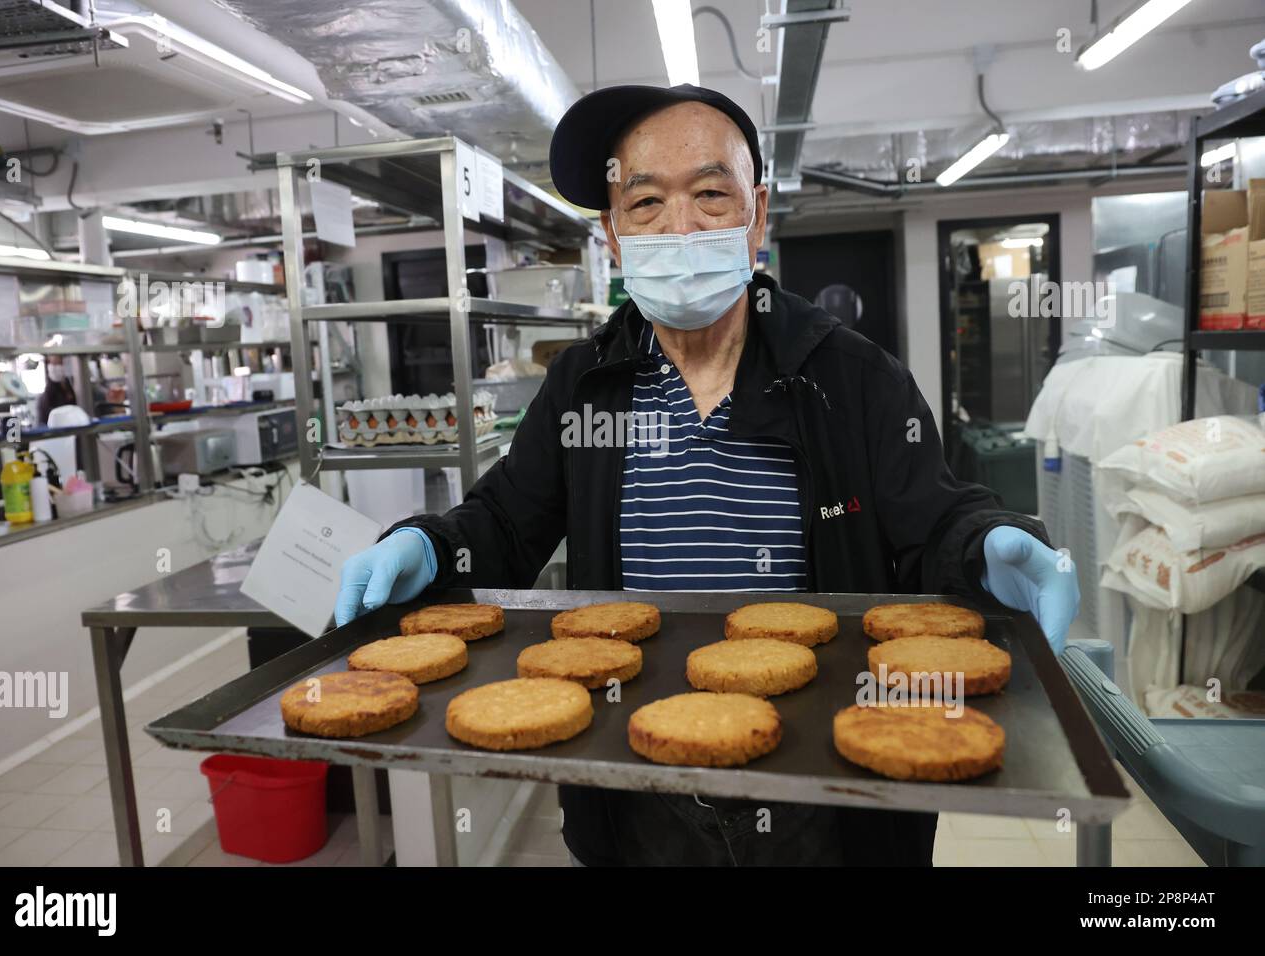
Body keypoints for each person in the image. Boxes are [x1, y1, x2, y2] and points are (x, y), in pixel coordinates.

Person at [334, 84, 1079, 866]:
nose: (680, 225)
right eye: (646, 201)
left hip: (820, 778)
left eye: (711, 194)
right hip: (636, 773)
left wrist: (990, 540)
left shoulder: (849, 375)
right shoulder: (585, 383)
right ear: (613, 237)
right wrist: (429, 544)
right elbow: (504, 523)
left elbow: (934, 519)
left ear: (756, 214)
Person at [36, 356, 77, 425]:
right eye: (53, 364)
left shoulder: (68, 385)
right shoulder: (48, 393)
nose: (56, 367)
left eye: (59, 363)